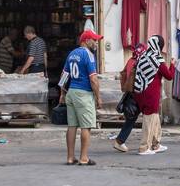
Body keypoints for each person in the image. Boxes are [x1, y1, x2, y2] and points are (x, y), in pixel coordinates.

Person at [60, 30, 103, 166]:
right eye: (94, 40)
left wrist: (62, 94)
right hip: (83, 93)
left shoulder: (72, 54)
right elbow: (94, 79)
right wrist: (98, 97)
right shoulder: (88, 55)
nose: (96, 43)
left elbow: (64, 75)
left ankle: (70, 157)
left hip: (71, 92)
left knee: (72, 126)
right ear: (86, 41)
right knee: (86, 126)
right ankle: (84, 158)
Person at [131, 36, 175, 156]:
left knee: (154, 118)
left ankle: (155, 144)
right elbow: (169, 76)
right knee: (149, 120)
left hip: (140, 91)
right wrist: (172, 65)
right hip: (151, 93)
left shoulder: (143, 56)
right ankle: (144, 147)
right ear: (160, 46)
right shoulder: (157, 59)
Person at [112, 42, 145, 152]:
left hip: (131, 94)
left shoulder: (130, 60)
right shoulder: (140, 62)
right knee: (147, 118)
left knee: (133, 119)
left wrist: (124, 88)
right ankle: (120, 141)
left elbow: (123, 74)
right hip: (138, 94)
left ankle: (121, 141)